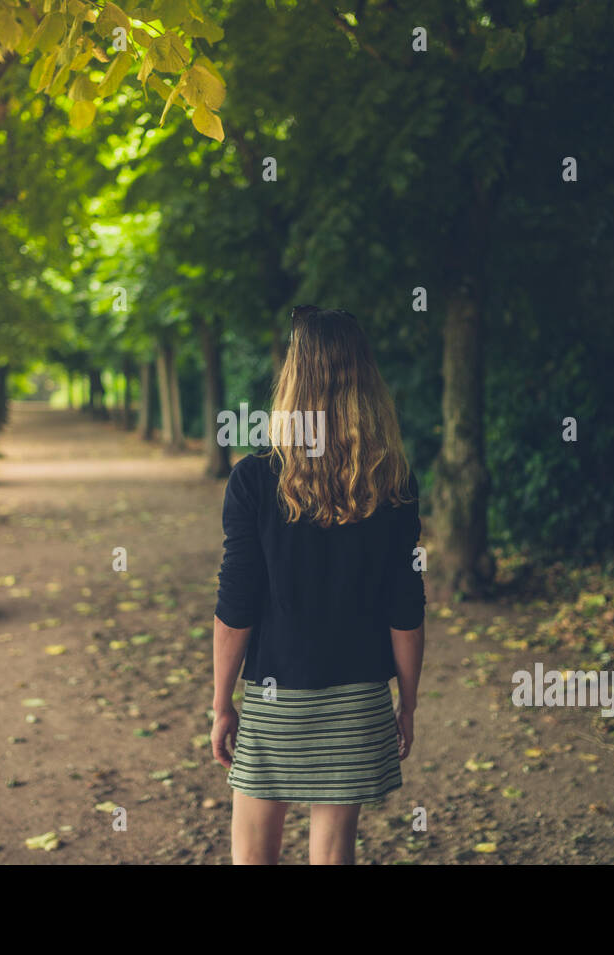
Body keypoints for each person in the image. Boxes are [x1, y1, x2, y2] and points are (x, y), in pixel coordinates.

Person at [211, 305, 426, 865]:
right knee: (334, 853)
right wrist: (407, 701)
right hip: (357, 698)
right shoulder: (393, 482)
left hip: (275, 696)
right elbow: (406, 606)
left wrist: (221, 703)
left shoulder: (254, 480)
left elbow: (237, 606)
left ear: (292, 378)